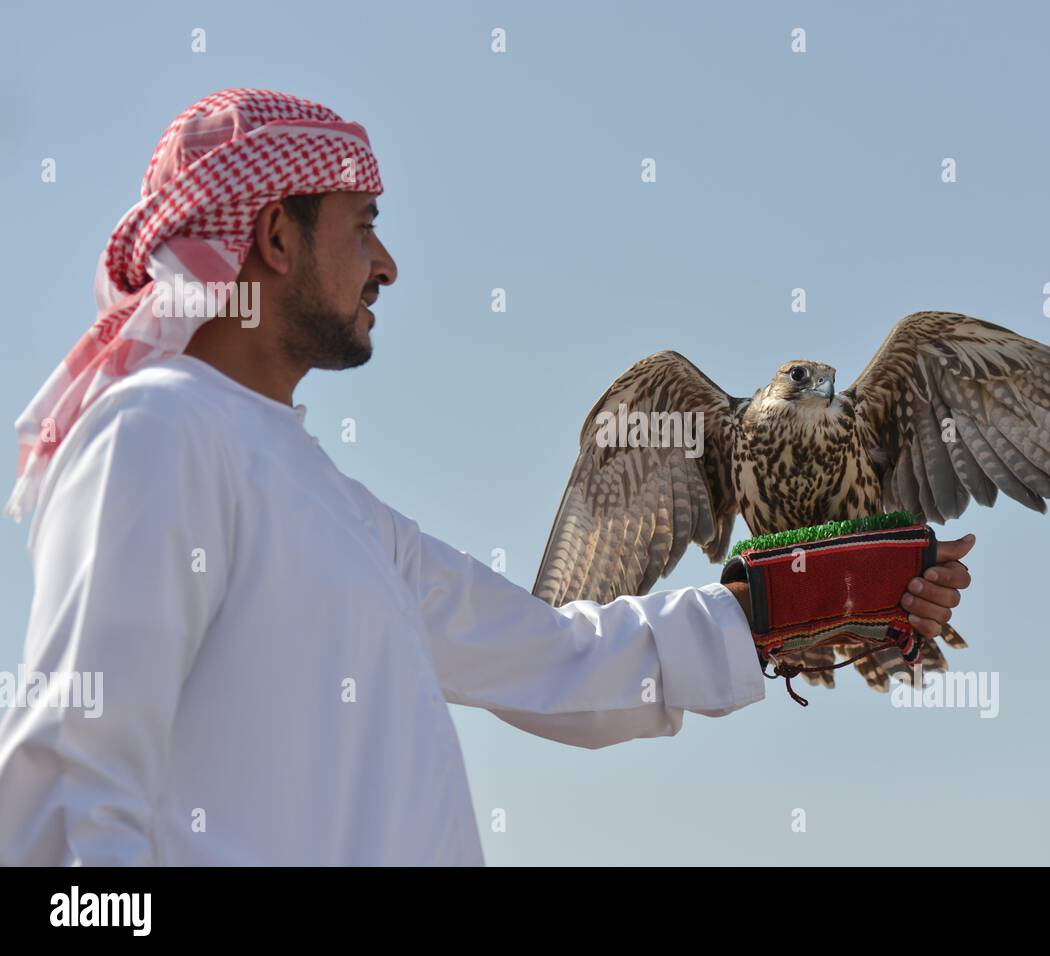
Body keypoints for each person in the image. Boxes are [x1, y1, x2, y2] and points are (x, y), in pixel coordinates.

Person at [0, 89, 974, 865]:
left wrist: (785, 610)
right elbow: (75, 767)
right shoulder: (159, 430)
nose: (386, 263)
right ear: (276, 237)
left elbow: (553, 656)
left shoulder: (336, 508)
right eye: (363, 225)